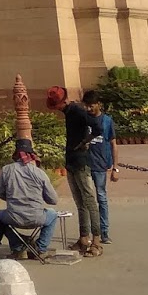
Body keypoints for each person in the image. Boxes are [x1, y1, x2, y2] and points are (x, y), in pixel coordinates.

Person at [46, 86, 104, 256]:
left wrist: (87, 140)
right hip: (71, 161)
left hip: (81, 161)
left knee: (90, 202)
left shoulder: (77, 111)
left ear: (61, 102)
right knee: (80, 204)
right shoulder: (69, 112)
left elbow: (97, 127)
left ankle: (97, 241)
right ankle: (83, 238)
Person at [0, 138, 60, 256]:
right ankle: (40, 247)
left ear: (16, 154)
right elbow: (53, 200)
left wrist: (12, 198)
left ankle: (17, 245)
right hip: (37, 218)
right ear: (31, 155)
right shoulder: (39, 173)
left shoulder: (6, 170)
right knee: (53, 215)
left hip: (13, 217)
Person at [84, 91, 118, 246]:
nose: (89, 108)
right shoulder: (84, 120)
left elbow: (113, 144)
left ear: (98, 104)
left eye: (91, 105)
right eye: (87, 106)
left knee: (101, 198)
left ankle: (104, 232)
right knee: (87, 200)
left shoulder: (106, 121)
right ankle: (89, 233)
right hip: (85, 165)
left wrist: (115, 168)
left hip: (101, 165)